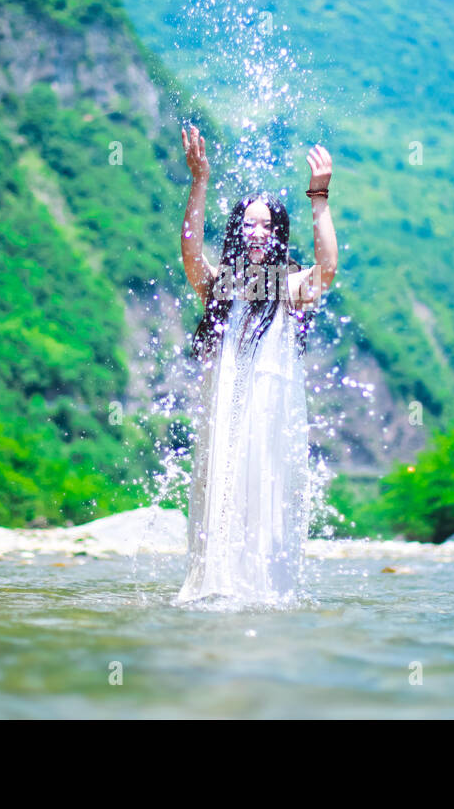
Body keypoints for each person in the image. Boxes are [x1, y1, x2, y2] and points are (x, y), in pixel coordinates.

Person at [173, 124, 338, 607]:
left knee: (263, 491)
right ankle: (215, 586)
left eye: (267, 225)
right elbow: (189, 255)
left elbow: (326, 270)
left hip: (268, 422)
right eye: (249, 223)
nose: (257, 232)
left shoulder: (289, 286)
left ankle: (260, 590)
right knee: (218, 488)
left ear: (279, 234)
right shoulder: (221, 286)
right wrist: (199, 182)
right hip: (225, 415)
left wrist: (319, 199)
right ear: (235, 232)